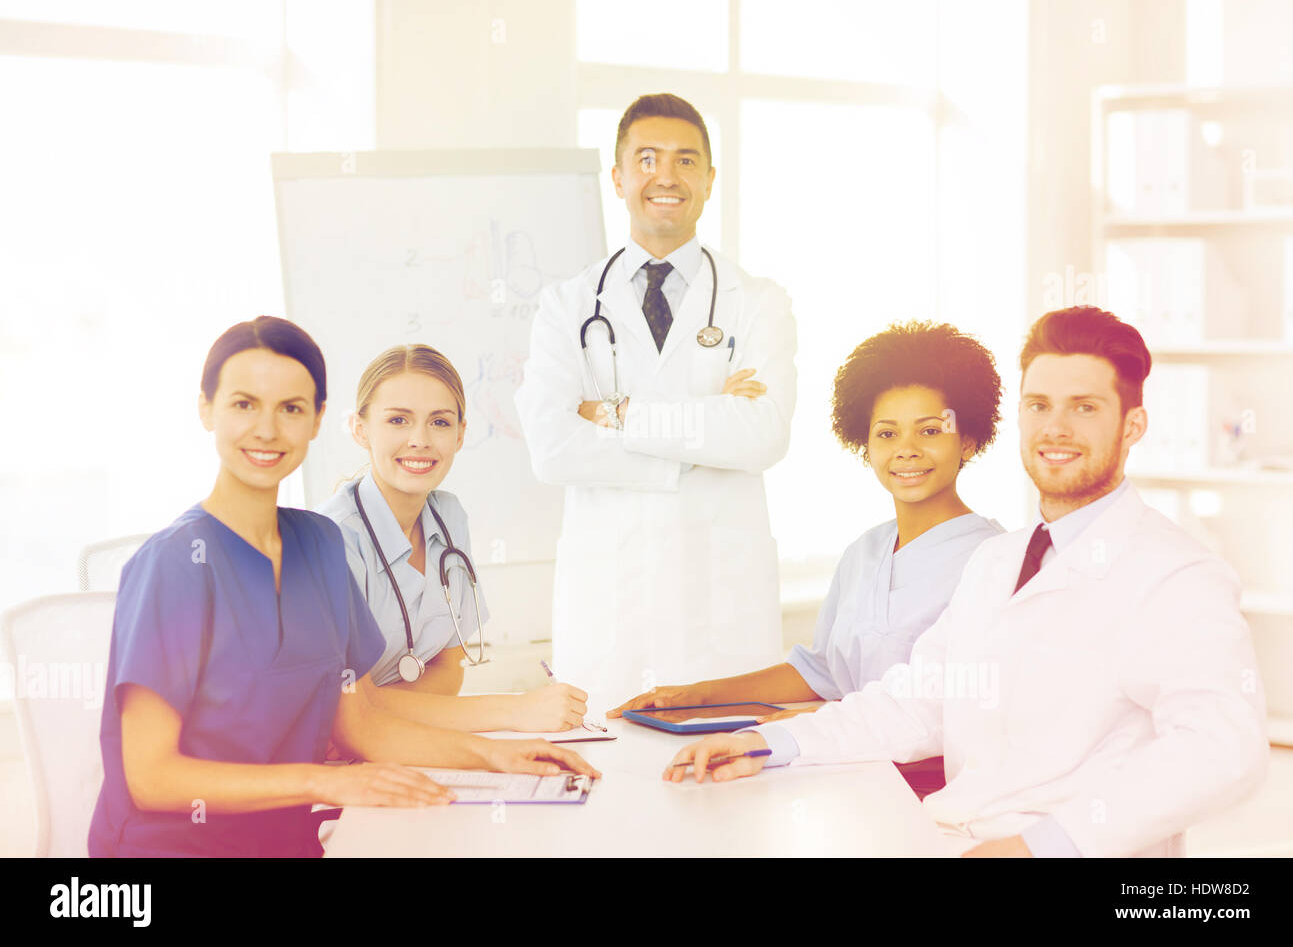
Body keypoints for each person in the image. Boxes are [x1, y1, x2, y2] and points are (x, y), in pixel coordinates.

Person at [663, 305, 1269, 859]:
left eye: (1084, 407)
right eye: (1039, 405)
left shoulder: (1177, 575)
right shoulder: (998, 563)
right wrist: (768, 745)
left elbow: (1223, 750)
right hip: (949, 836)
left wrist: (1043, 847)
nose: (1055, 428)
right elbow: (915, 701)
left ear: (1133, 425)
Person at [89, 316, 597, 857]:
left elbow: (362, 729)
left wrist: (493, 757)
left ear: (317, 421)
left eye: (291, 408)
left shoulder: (320, 545)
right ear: (206, 410)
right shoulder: (174, 562)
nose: (267, 429)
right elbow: (151, 777)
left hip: (286, 841)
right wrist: (323, 782)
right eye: (244, 404)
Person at [609, 322, 1005, 797]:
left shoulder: (994, 561)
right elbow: (821, 672)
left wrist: (784, 730)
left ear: (969, 440)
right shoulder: (865, 552)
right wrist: (694, 695)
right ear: (865, 444)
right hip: (835, 768)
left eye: (930, 430)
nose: (907, 450)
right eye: (886, 433)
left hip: (928, 788)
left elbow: (940, 708)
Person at [515, 93, 797, 707]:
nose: (665, 176)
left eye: (685, 161)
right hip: (611, 608)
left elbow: (762, 435)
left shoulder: (759, 301)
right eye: (646, 159)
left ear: (709, 180)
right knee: (605, 780)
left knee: (727, 786)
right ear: (617, 178)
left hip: (722, 611)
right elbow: (553, 450)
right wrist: (701, 438)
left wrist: (616, 415)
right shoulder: (566, 305)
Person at [317, 344, 590, 731]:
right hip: (331, 758)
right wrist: (514, 711)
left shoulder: (448, 518)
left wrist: (384, 708)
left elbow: (448, 669)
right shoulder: (330, 539)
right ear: (360, 429)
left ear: (461, 434)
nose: (420, 440)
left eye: (440, 422)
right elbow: (347, 709)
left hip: (402, 743)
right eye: (398, 420)